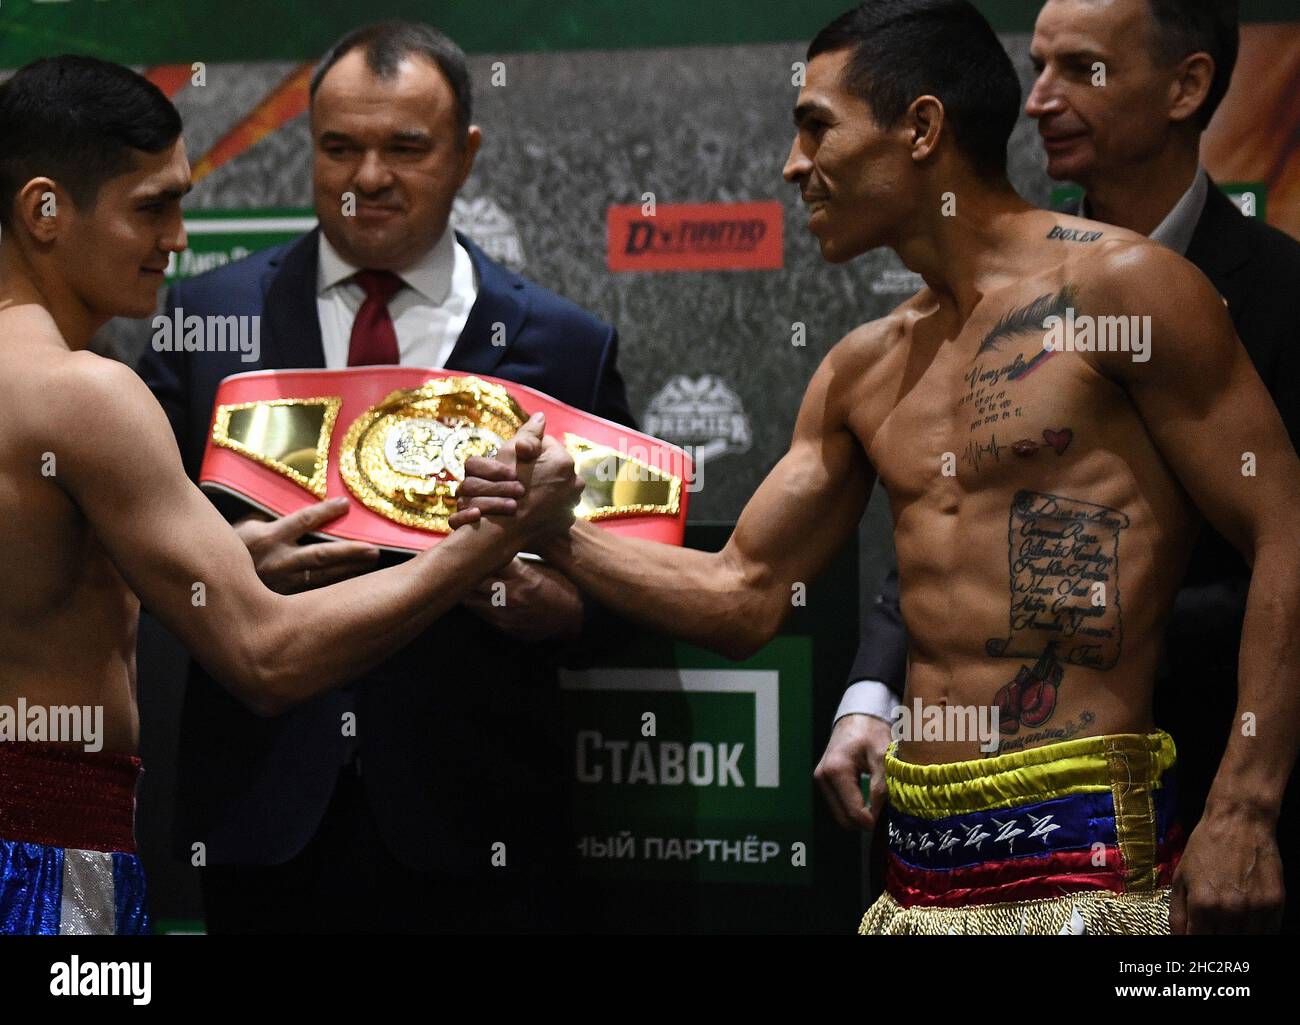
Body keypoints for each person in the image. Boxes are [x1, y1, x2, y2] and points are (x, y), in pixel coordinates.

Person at [454, 0, 1300, 934]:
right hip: (915, 877)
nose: (794, 165)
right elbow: (742, 592)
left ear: (923, 128)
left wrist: (1245, 805)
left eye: (817, 127)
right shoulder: (866, 365)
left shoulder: (1123, 288)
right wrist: (555, 536)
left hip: (1086, 869)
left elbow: (1286, 532)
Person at [0, 54, 582, 935]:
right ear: (44, 210)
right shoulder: (86, 394)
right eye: (151, 206)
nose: (179, 238)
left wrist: (223, 559)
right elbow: (266, 659)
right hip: (49, 845)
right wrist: (495, 533)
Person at [136, 20, 635, 933]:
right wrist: (229, 559)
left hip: (479, 823)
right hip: (263, 817)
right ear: (311, 149)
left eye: (405, 147)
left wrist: (554, 606)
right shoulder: (205, 317)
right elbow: (134, 545)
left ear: (466, 154)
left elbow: (629, 584)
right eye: (340, 147)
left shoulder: (564, 346)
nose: (369, 177)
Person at [819, 0, 1300, 931]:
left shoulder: (1283, 296)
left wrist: (1246, 799)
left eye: (1082, 70)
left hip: (1225, 817)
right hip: (962, 847)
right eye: (1036, 67)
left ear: (1187, 87)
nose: (1039, 100)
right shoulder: (978, 295)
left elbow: (1285, 529)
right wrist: (875, 690)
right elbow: (959, 506)